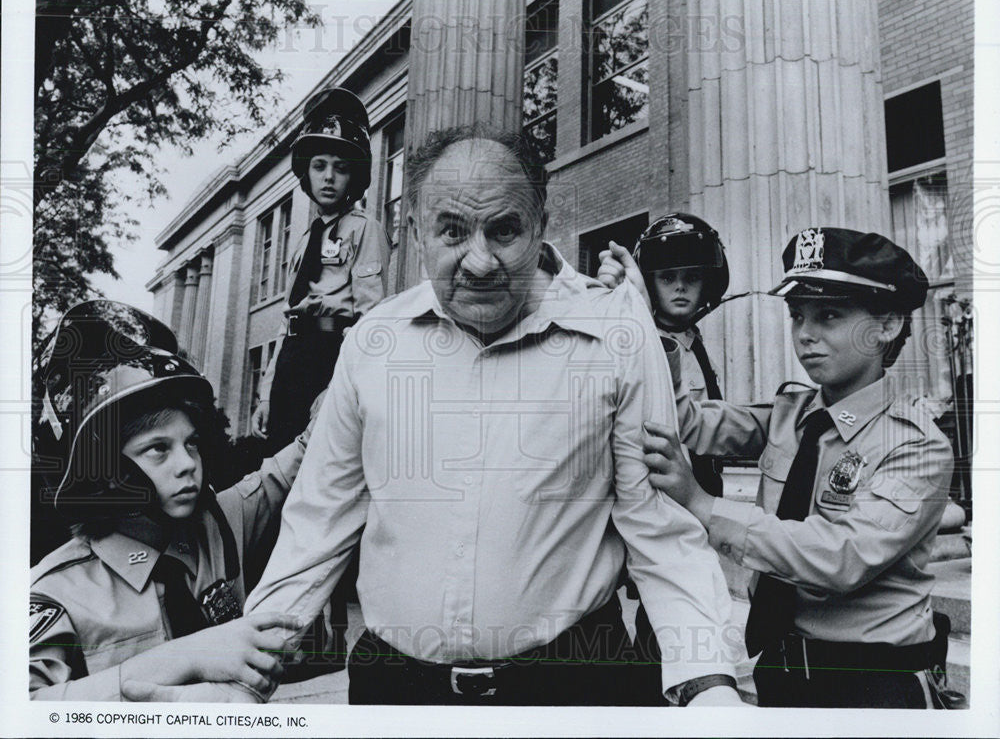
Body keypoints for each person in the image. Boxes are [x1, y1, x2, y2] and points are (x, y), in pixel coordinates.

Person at [131, 124, 745, 706]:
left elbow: (661, 533)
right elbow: (316, 529)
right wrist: (249, 671)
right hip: (396, 692)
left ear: (541, 226)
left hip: (575, 684)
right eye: (452, 232)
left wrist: (708, 685)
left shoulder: (619, 336)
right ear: (416, 230)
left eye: (504, 231)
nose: (479, 262)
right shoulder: (373, 343)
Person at [643, 227, 958, 708]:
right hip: (781, 666)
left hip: (871, 683)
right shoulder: (794, 414)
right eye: (797, 316)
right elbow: (687, 420)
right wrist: (658, 327)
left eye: (829, 315)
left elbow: (841, 558)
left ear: (889, 324)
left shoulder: (914, 444)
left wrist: (704, 506)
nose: (805, 334)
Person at [30, 301, 303, 700]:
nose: (188, 464)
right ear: (101, 469)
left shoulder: (220, 523)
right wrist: (183, 657)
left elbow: (303, 458)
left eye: (191, 443)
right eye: (158, 449)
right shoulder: (58, 590)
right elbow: (21, 708)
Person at [597, 214, 731, 682]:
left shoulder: (691, 340)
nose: (680, 289)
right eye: (667, 278)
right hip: (657, 508)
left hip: (692, 499)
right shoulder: (641, 338)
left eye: (692, 278)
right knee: (664, 632)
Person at [251, 86, 391, 455]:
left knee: (316, 465)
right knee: (276, 462)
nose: (329, 177)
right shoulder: (302, 242)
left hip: (329, 356)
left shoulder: (364, 229)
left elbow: (369, 320)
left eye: (341, 168)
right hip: (292, 361)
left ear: (355, 175)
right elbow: (286, 321)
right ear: (306, 173)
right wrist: (266, 394)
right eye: (319, 166)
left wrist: (339, 385)